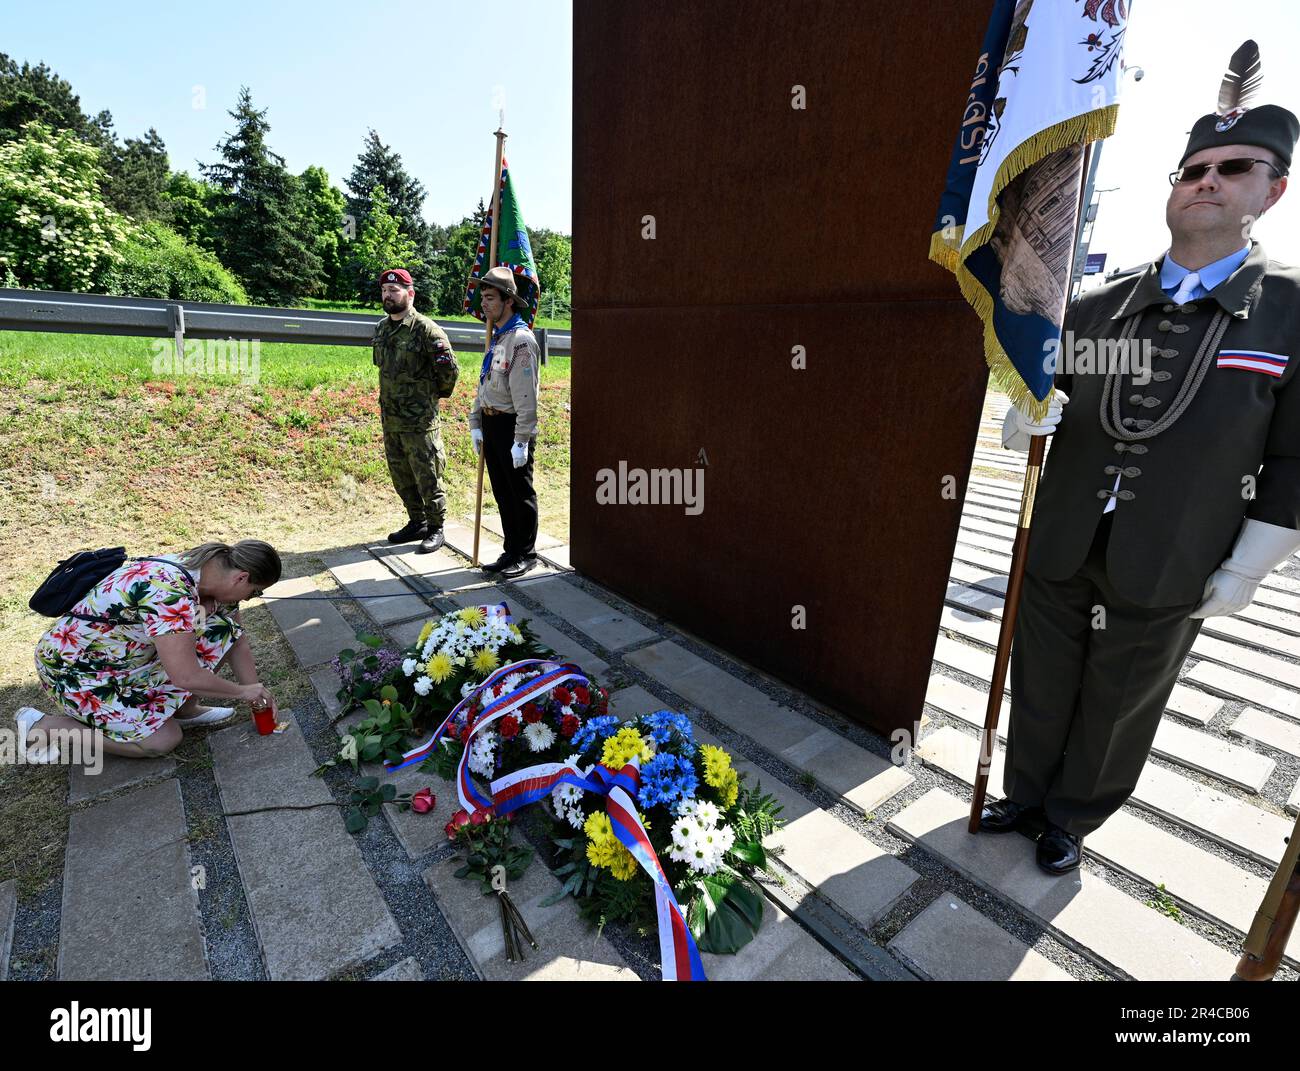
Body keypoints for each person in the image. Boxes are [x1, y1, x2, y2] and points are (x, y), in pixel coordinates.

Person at [982, 91, 1300, 875]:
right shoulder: (1094, 304)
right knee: (1045, 671)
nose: (1207, 181)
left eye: (1234, 168)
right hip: (1063, 531)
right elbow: (1051, 405)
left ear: (1274, 190)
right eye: (1193, 169)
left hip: (1176, 550)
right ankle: (1025, 791)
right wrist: (1025, 422)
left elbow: (1295, 458)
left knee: (1125, 691)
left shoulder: (1289, 310)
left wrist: (1248, 567)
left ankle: (1072, 814)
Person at [18, 540, 281, 761]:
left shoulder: (202, 570)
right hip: (77, 671)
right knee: (161, 741)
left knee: (220, 629)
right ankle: (47, 726)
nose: (247, 599)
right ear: (241, 577)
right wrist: (242, 692)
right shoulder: (170, 593)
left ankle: (185, 710)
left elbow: (237, 638)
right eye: (253, 593)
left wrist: (256, 695)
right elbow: (186, 677)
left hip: (122, 658)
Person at [374, 268, 460, 554]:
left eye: (394, 290)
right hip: (392, 420)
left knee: (428, 477)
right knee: (401, 476)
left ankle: (436, 528)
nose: (388, 295)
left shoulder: (426, 330)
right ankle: (417, 521)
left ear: (410, 294)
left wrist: (431, 399)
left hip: (420, 422)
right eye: (385, 290)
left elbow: (448, 372)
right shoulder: (382, 328)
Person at [468, 265, 541, 580]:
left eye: (489, 298)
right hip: (492, 424)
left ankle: (526, 552)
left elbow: (526, 396)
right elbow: (487, 383)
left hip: (512, 426)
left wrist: (521, 440)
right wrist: (475, 421)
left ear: (508, 300)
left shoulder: (520, 340)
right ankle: (511, 549)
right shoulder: (499, 337)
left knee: (518, 492)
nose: (483, 304)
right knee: (501, 491)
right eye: (482, 297)